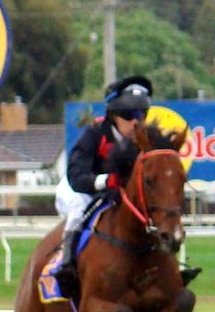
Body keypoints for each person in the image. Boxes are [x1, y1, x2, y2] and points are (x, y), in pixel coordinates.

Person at [52, 75, 152, 298]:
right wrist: (107, 181)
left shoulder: (142, 140)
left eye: (141, 115)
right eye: (129, 115)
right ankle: (66, 264)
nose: (136, 122)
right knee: (79, 207)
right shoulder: (94, 134)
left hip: (115, 192)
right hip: (78, 189)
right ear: (114, 116)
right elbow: (77, 176)